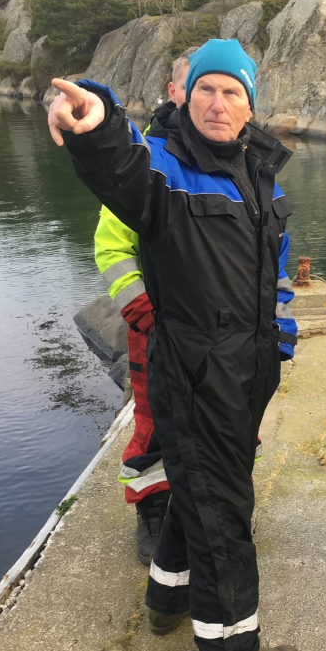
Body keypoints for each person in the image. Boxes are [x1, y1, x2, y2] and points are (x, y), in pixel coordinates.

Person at [47, 38, 300, 651]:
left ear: (249, 106)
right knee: (223, 509)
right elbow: (119, 167)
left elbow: (274, 272)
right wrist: (95, 119)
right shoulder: (163, 169)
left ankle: (166, 598)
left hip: (249, 372)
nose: (219, 102)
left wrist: (282, 339)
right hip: (195, 374)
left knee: (197, 492)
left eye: (232, 92)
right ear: (185, 97)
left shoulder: (260, 173)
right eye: (207, 88)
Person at [95, 47, 197, 567]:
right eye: (193, 84)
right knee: (154, 420)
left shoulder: (245, 159)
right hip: (156, 327)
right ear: (174, 91)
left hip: (219, 331)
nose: (206, 97)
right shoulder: (144, 159)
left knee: (228, 421)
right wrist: (144, 313)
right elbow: (112, 247)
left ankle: (218, 503)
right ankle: (153, 511)